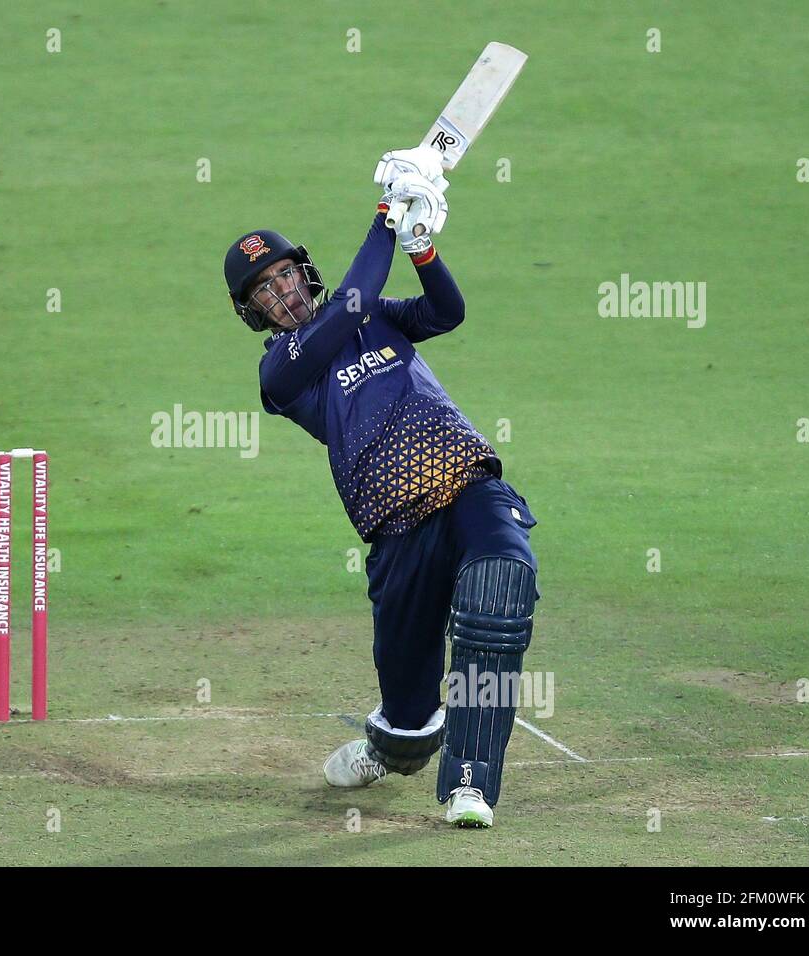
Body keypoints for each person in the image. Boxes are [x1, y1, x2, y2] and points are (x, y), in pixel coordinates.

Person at [221, 148, 540, 827]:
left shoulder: (369, 316)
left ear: (303, 272)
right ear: (254, 313)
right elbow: (358, 293)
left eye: (284, 276)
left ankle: (469, 784)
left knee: (500, 595)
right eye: (264, 292)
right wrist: (387, 213)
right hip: (397, 531)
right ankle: (394, 744)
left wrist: (420, 245)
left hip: (466, 483)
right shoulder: (283, 371)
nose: (282, 294)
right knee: (406, 708)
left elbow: (446, 312)